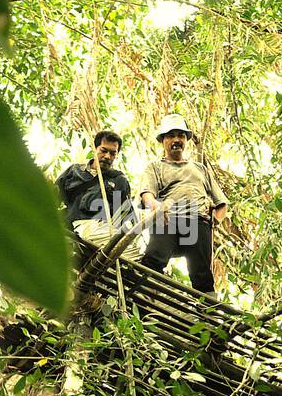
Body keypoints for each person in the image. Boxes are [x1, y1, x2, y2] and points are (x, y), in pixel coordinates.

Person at [139, 115, 228, 299]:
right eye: (171, 136)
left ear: (186, 140)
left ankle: (207, 316)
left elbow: (221, 202)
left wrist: (215, 220)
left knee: (202, 273)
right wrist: (157, 206)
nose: (176, 140)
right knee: (153, 259)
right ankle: (142, 300)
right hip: (168, 219)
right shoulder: (155, 167)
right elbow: (147, 194)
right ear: (163, 140)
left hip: (198, 221)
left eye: (181, 135)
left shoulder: (200, 168)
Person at [55, 129, 143, 259]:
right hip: (68, 231)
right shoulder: (75, 172)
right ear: (95, 149)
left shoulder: (118, 181)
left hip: (98, 241)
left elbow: (125, 220)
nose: (107, 156)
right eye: (103, 150)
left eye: (113, 153)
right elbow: (52, 197)